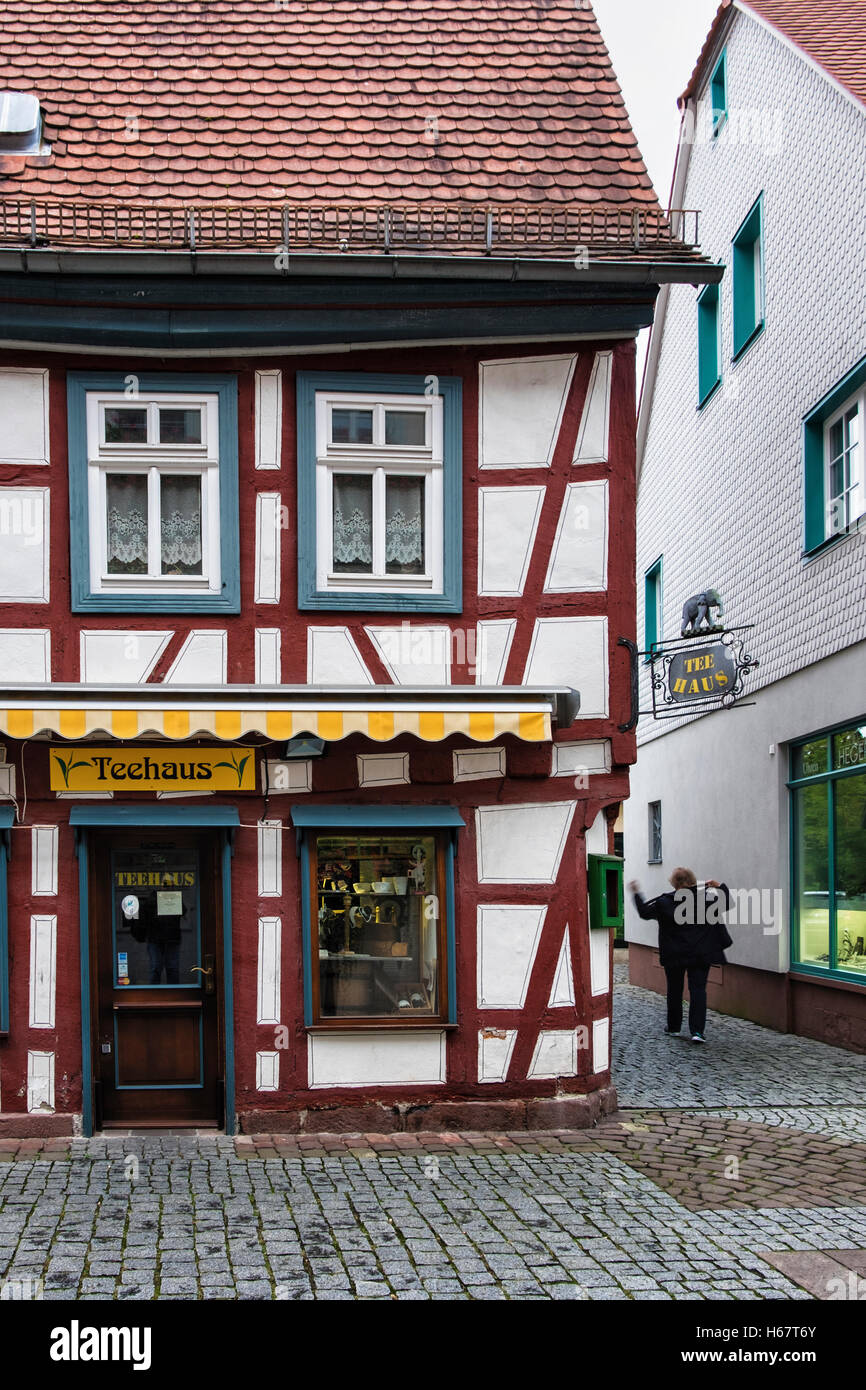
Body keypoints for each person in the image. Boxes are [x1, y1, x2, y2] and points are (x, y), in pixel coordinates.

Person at [627, 868, 732, 1044]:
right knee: (698, 990)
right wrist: (718, 886)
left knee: (674, 990)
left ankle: (674, 1027)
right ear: (693, 881)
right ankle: (697, 1031)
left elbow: (645, 913)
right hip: (700, 954)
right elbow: (726, 902)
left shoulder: (664, 902)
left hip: (674, 954)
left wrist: (637, 893)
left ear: (674, 883)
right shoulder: (705, 900)